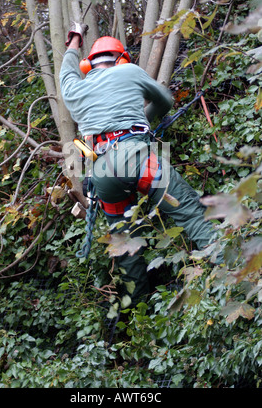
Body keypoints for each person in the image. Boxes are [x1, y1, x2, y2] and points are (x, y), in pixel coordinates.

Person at [59, 22, 215, 307]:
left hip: (102, 173)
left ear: (88, 66)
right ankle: (233, 275)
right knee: (191, 213)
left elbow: (65, 69)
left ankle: (138, 316)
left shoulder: (73, 88)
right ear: (121, 59)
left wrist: (75, 39)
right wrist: (144, 120)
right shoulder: (129, 71)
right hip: (136, 159)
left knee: (126, 246)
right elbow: (165, 100)